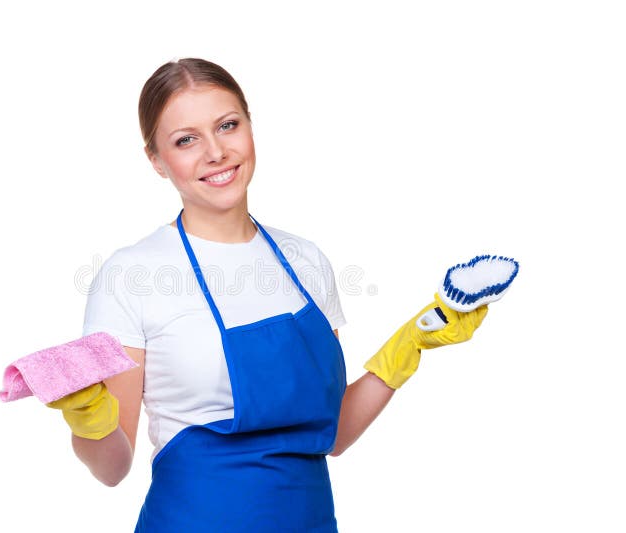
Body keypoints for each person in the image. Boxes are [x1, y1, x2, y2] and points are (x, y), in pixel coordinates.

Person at [46, 58, 488, 532]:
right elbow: (113, 470)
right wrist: (89, 419)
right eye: (186, 139)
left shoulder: (304, 259)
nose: (215, 152)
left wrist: (409, 344)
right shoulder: (131, 275)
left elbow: (331, 432)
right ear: (157, 160)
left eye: (227, 125)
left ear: (250, 127)